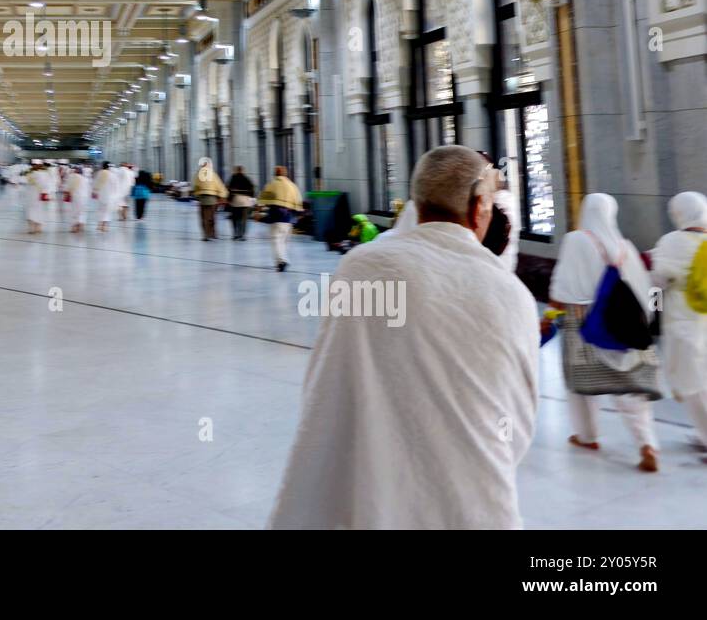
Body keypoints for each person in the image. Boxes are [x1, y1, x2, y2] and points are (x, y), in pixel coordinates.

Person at [269, 146, 538, 529]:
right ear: (479, 207)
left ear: (417, 201)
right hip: (470, 501)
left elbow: (326, 383)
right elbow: (518, 424)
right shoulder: (509, 294)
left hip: (362, 495)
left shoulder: (360, 267)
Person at [549, 192, 659, 472]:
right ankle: (646, 444)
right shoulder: (624, 246)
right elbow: (643, 288)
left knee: (581, 385)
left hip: (583, 323)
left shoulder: (575, 239)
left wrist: (552, 310)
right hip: (622, 325)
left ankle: (587, 436)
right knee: (629, 387)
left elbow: (561, 285)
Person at [651, 192, 707, 455]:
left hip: (684, 322)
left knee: (693, 384)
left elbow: (658, 282)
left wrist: (653, 314)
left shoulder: (672, 242)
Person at [259, 166, 302, 270]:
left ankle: (281, 261)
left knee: (276, 240)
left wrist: (259, 211)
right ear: (285, 174)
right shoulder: (292, 186)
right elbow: (298, 201)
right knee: (284, 241)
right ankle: (283, 259)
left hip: (275, 217)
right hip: (288, 218)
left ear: (275, 174)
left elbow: (262, 199)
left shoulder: (271, 184)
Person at [192, 161, 227, 242]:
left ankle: (205, 234)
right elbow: (219, 186)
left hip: (202, 199)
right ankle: (212, 234)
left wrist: (196, 195)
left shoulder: (198, 175)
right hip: (212, 199)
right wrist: (223, 196)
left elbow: (195, 187)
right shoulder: (213, 174)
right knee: (211, 218)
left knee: (204, 218)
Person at [226, 166, 255, 240]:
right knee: (244, 219)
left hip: (235, 201)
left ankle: (236, 233)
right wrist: (251, 198)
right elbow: (252, 189)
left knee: (235, 219)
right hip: (245, 202)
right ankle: (242, 235)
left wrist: (228, 200)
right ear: (243, 171)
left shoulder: (233, 178)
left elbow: (228, 189)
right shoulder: (247, 179)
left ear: (236, 171)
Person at [63, 164, 89, 233]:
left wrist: (66, 193)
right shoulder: (85, 179)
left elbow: (67, 187)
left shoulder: (72, 177)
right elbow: (87, 190)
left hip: (75, 197)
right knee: (82, 212)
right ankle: (81, 225)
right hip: (84, 197)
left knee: (74, 212)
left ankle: (74, 227)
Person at [93, 162, 117, 234]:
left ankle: (99, 225)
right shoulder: (112, 175)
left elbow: (95, 183)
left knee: (100, 210)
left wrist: (95, 191)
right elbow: (115, 186)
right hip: (109, 195)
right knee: (107, 211)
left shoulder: (99, 173)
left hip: (101, 195)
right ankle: (104, 226)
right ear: (108, 167)